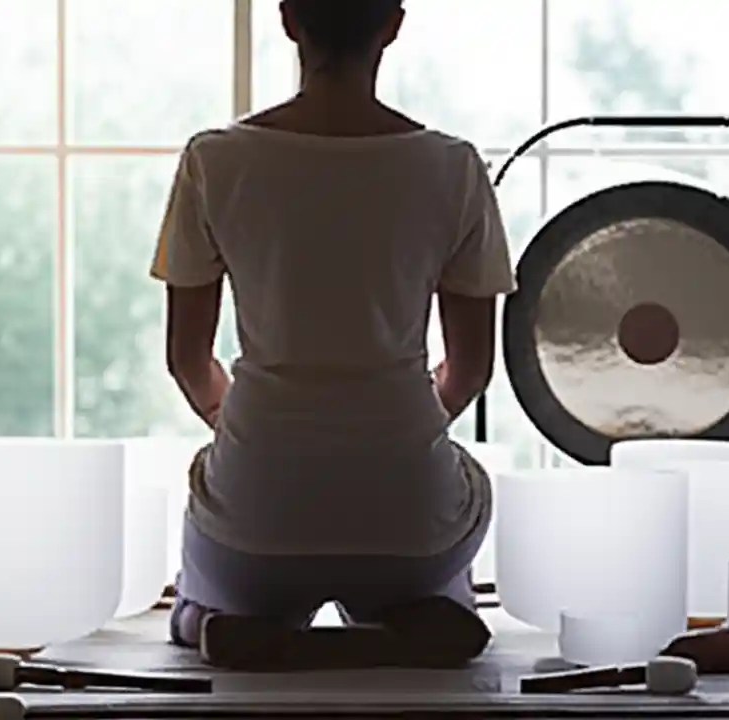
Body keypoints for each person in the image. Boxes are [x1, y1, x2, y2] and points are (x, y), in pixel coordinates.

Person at [150, 0, 516, 669]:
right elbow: (469, 370)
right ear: (394, 24)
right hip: (408, 518)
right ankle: (420, 617)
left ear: (289, 19)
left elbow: (187, 359)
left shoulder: (215, 160)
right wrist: (393, 431)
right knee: (450, 514)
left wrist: (232, 421)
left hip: (260, 514)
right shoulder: (454, 167)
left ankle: (211, 621)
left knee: (195, 599)